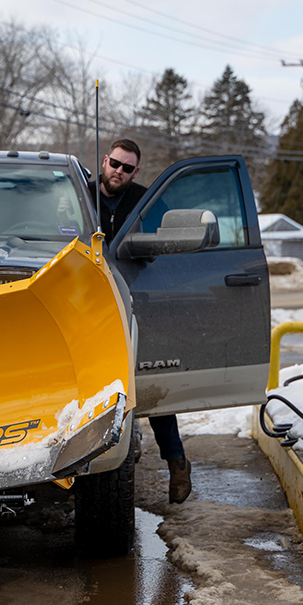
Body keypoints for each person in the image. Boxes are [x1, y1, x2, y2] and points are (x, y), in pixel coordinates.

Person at [88, 138, 192, 504]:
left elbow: (168, 242)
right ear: (104, 161)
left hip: (139, 301)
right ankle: (110, 456)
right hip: (87, 308)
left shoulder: (147, 201)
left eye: (127, 168)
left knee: (151, 385)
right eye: (115, 163)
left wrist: (146, 254)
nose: (118, 172)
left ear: (136, 172)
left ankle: (177, 462)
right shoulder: (80, 195)